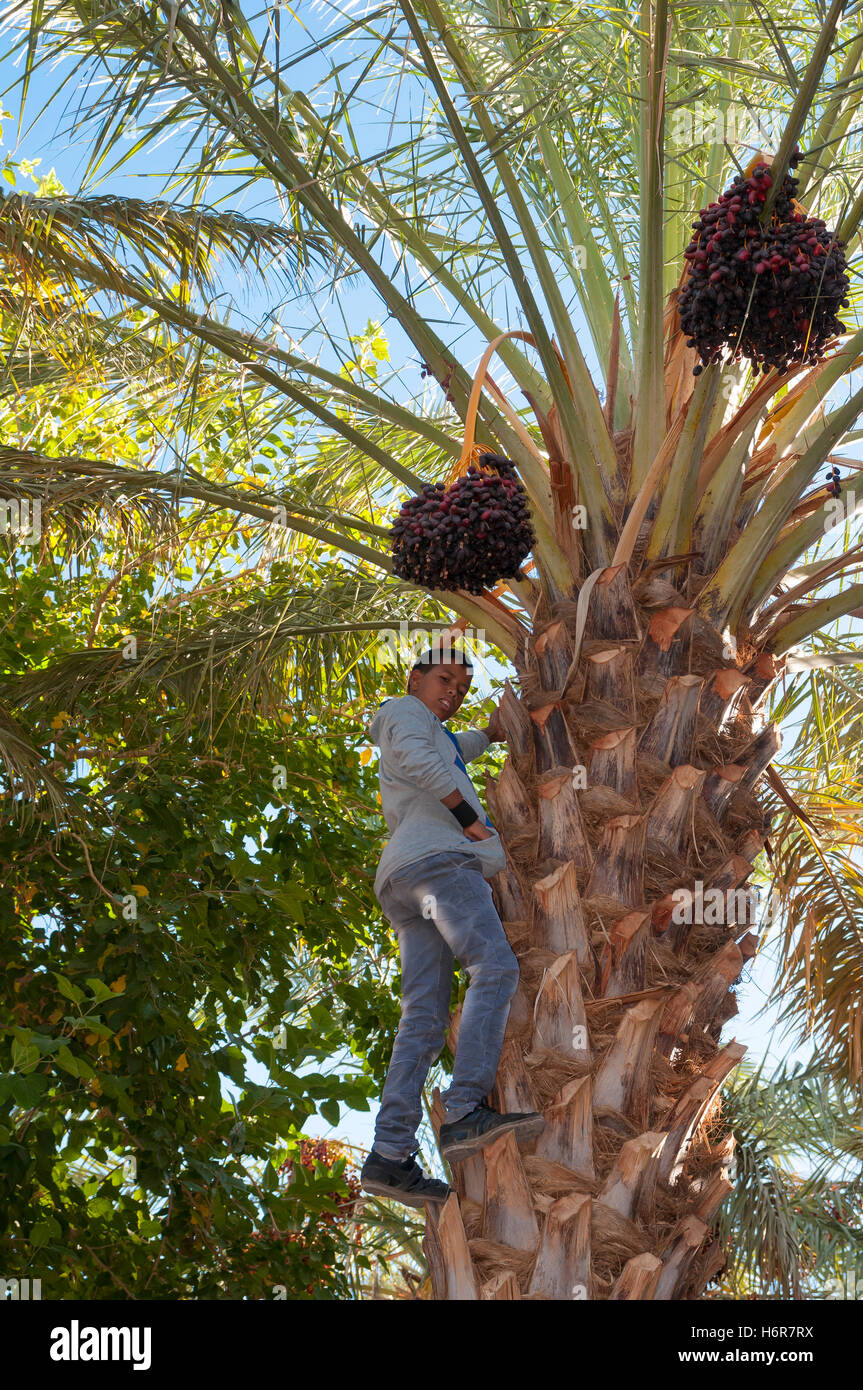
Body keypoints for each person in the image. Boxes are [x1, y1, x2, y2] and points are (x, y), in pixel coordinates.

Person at [360, 644, 544, 1208]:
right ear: (415, 677)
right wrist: (470, 825)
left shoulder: (436, 732)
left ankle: (388, 1157)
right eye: (444, 679)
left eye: (461, 688)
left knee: (423, 1016)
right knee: (493, 965)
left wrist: (490, 734)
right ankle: (465, 1110)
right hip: (439, 866)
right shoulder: (403, 711)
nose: (452, 693)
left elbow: (452, 750)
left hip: (408, 887)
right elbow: (422, 760)